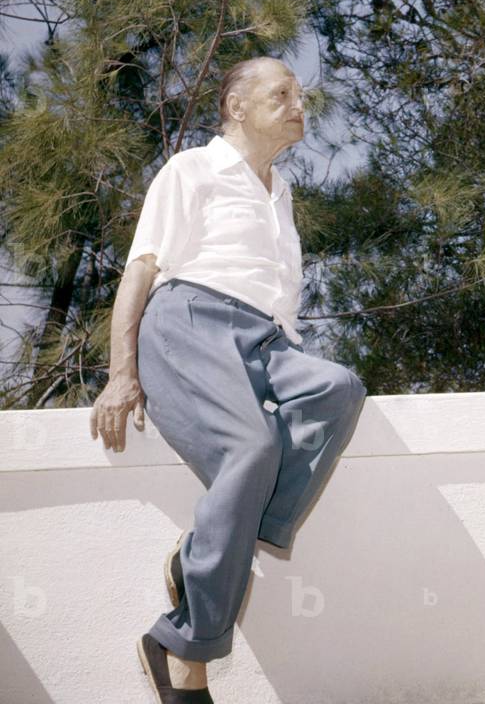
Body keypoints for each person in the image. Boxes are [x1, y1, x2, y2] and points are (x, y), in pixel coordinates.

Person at [89, 56, 368, 703]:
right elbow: (141, 270)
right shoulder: (192, 169)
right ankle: (182, 650)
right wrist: (119, 373)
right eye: (282, 93)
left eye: (301, 95)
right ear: (237, 105)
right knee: (254, 449)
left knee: (339, 389)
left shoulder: (279, 192)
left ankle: (208, 553)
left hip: (263, 339)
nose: (299, 104)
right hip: (189, 320)